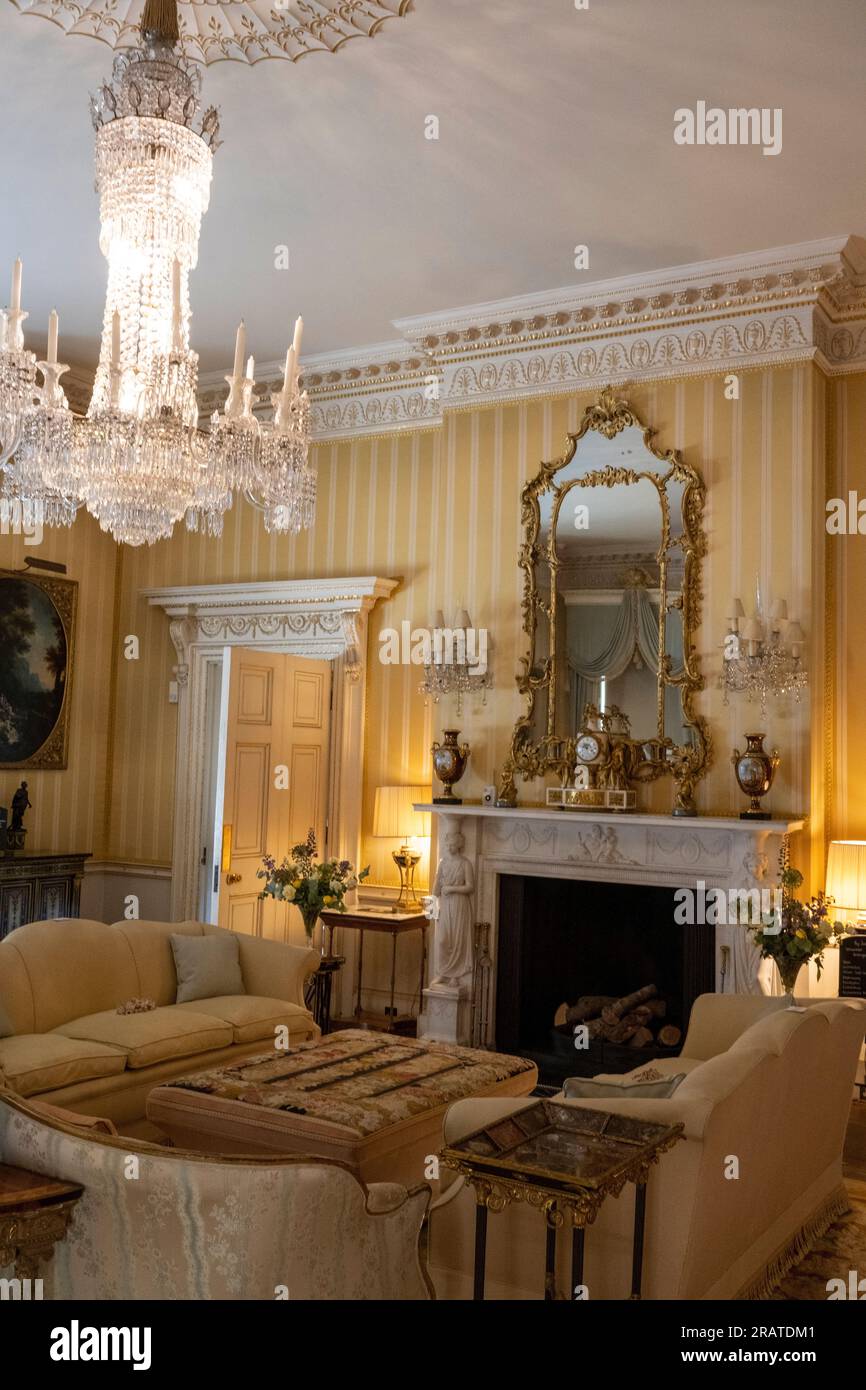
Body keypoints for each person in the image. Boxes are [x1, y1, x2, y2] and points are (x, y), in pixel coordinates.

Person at [429, 828, 475, 986]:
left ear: (459, 845)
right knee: (443, 940)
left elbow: (470, 887)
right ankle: (443, 972)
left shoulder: (465, 863)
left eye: (452, 845)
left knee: (457, 940)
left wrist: (452, 889)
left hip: (459, 904)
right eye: (448, 844)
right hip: (446, 904)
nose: (449, 848)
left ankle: (455, 975)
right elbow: (436, 886)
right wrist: (432, 909)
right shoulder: (443, 863)